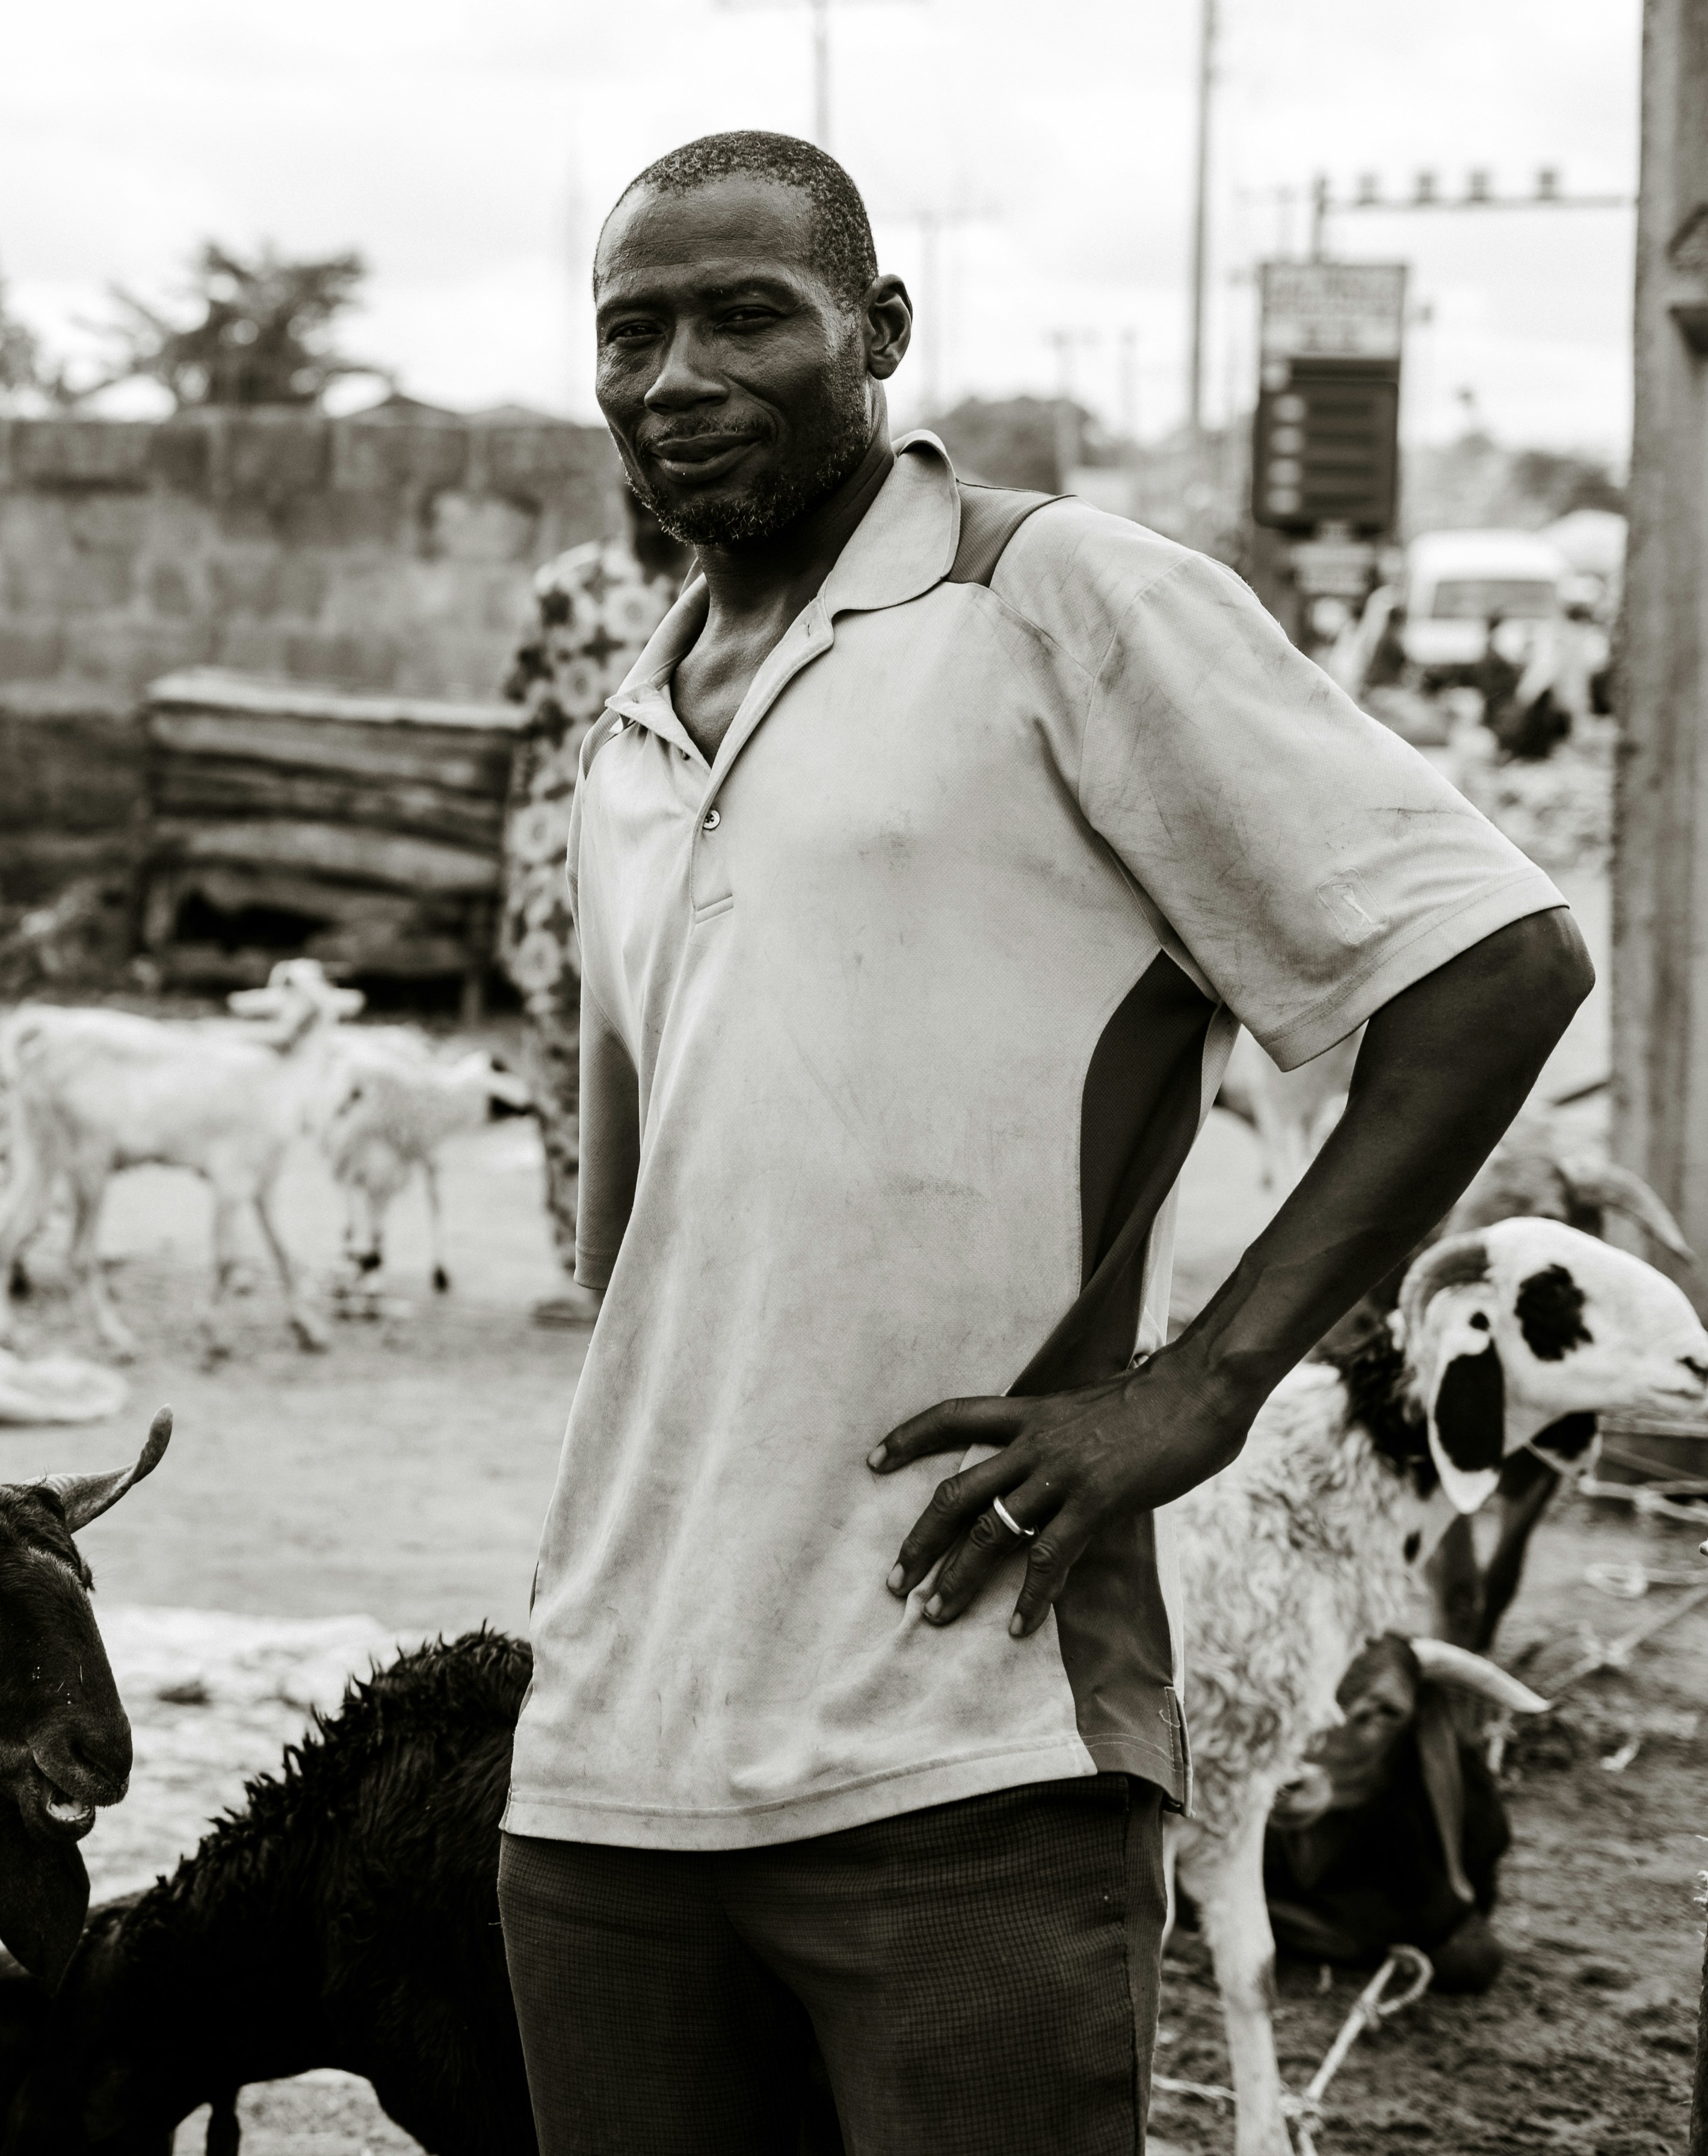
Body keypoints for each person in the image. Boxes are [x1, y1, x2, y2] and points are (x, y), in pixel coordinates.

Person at [496, 131, 1582, 2154]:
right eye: (628, 329)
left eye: (745, 313)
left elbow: (1489, 963)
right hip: (604, 1763)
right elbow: (654, 1270)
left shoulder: (1054, 599)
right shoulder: (625, 743)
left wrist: (1199, 1387)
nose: (676, 375)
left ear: (878, 333)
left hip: (962, 1737)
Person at [498, 517, 686, 1329]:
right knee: (565, 1058)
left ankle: (674, 1266)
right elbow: (527, 722)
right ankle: (589, 1273)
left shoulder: (734, 584)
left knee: (679, 1053)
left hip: (676, 847)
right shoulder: (568, 586)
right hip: (556, 850)